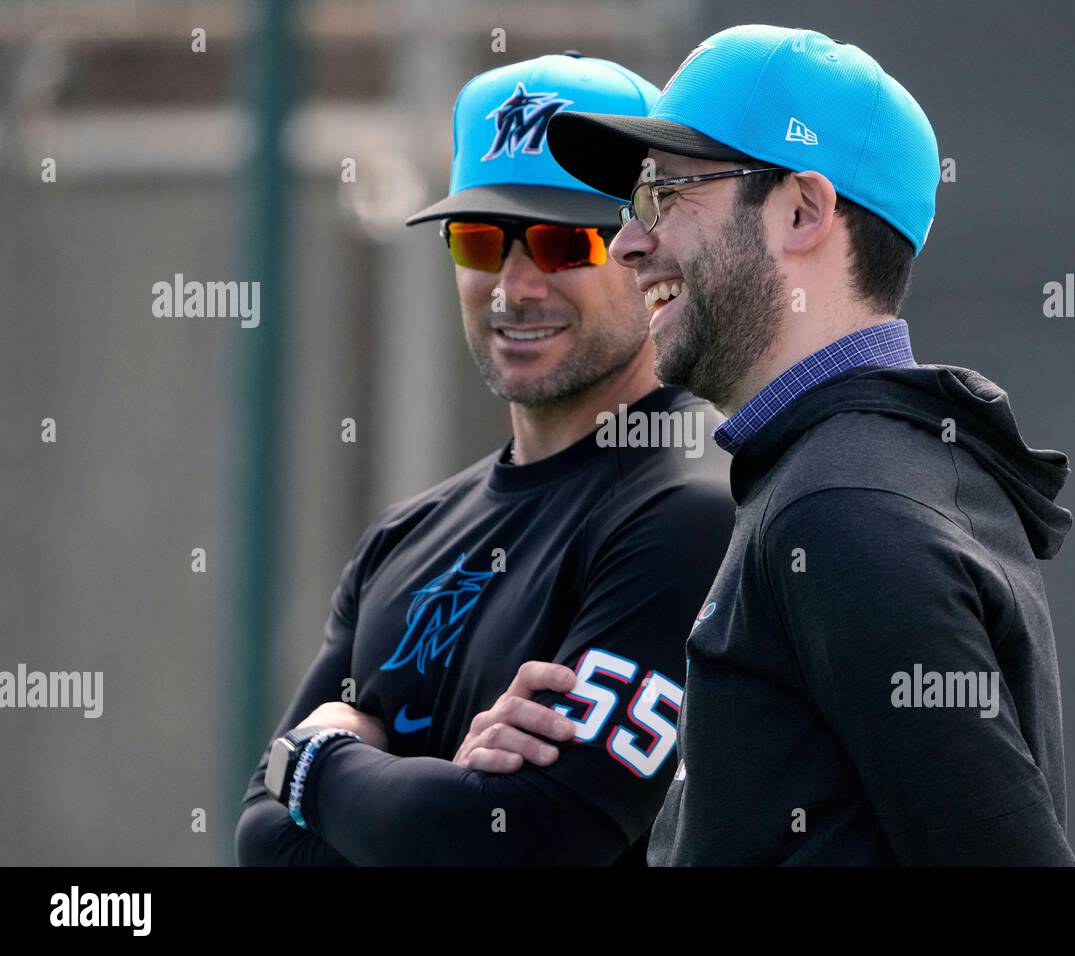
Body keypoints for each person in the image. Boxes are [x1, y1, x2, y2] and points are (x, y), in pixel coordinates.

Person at [536, 24, 1075, 864]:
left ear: (802, 211)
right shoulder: (839, 477)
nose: (627, 241)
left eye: (667, 194)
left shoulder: (844, 510)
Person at [234, 52, 733, 866]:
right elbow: (261, 841)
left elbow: (523, 841)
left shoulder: (695, 504)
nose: (513, 286)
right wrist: (440, 799)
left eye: (563, 242)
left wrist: (321, 766)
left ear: (646, 247)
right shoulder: (405, 535)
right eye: (479, 240)